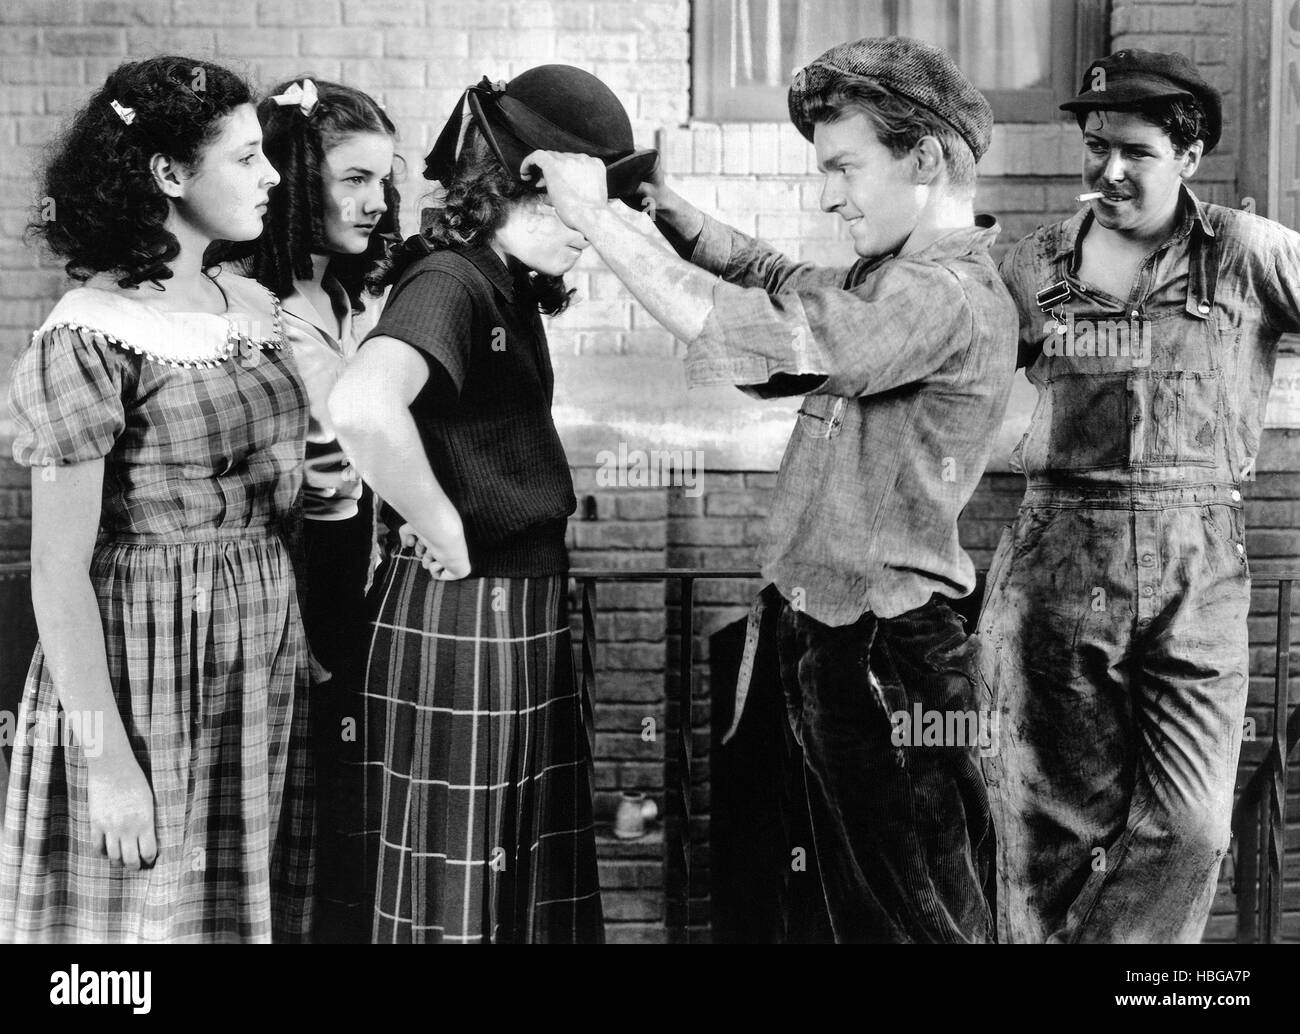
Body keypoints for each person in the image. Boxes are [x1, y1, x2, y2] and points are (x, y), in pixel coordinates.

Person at [529, 37, 1017, 943]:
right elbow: (776, 277)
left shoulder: (940, 296)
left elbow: (756, 329)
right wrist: (667, 214)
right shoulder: (891, 280)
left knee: (911, 923)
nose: (830, 194)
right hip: (838, 641)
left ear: (928, 157)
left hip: (888, 658)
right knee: (834, 912)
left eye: (846, 167)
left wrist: (594, 224)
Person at [327, 65, 653, 943]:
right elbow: (361, 405)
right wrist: (440, 524)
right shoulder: (453, 278)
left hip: (515, 606)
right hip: (468, 607)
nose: (591, 226)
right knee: (458, 883)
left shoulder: (501, 282)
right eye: (573, 199)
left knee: (515, 878)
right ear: (515, 185)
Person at [983, 49, 1300, 944]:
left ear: (1189, 157)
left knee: (1195, 830)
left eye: (1136, 151)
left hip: (1199, 565)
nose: (1109, 171)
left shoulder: (1246, 253)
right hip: (1056, 557)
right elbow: (950, 380)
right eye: (1095, 147)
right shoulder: (1033, 266)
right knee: (1054, 834)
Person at [0, 56, 315, 943]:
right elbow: (56, 577)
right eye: (246, 158)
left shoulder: (248, 301)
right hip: (145, 661)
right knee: (146, 925)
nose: (272, 175)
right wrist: (106, 763)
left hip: (254, 654)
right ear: (168, 175)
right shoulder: (90, 334)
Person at [241, 75, 399, 942]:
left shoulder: (359, 294)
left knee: (353, 825)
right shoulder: (248, 308)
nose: (375, 202)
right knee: (284, 823)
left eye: (383, 179)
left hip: (361, 578)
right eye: (352, 179)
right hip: (278, 588)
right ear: (299, 177)